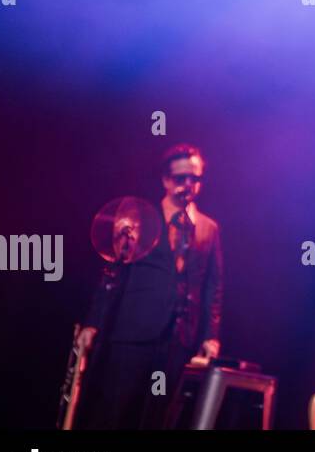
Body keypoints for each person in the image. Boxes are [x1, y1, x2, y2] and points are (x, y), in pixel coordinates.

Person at [77, 143, 224, 428]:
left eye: (195, 178)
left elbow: (213, 287)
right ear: (166, 181)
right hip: (134, 334)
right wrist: (94, 322)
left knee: (158, 418)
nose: (189, 185)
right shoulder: (140, 218)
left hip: (177, 339)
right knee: (118, 414)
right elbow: (113, 273)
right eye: (181, 178)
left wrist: (211, 335)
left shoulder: (209, 228)